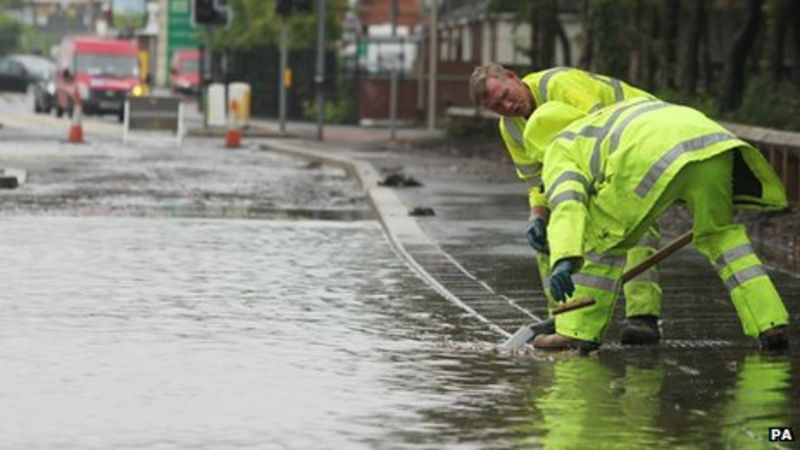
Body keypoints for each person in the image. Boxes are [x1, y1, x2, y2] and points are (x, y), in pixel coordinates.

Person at [526, 98, 790, 352]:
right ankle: (769, 321)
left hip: (653, 158)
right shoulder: (605, 118)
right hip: (714, 147)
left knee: (603, 240)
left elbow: (568, 204)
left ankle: (576, 333)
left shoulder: (560, 146)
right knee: (722, 239)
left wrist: (565, 257)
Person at [469, 63, 662, 344]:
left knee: (631, 218)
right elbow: (538, 180)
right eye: (498, 107)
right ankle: (564, 319)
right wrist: (537, 216)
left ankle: (643, 319)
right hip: (587, 161)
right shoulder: (511, 128)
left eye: (506, 96)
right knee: (551, 232)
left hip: (642, 137)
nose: (508, 106)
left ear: (513, 77)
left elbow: (603, 134)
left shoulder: (559, 85)